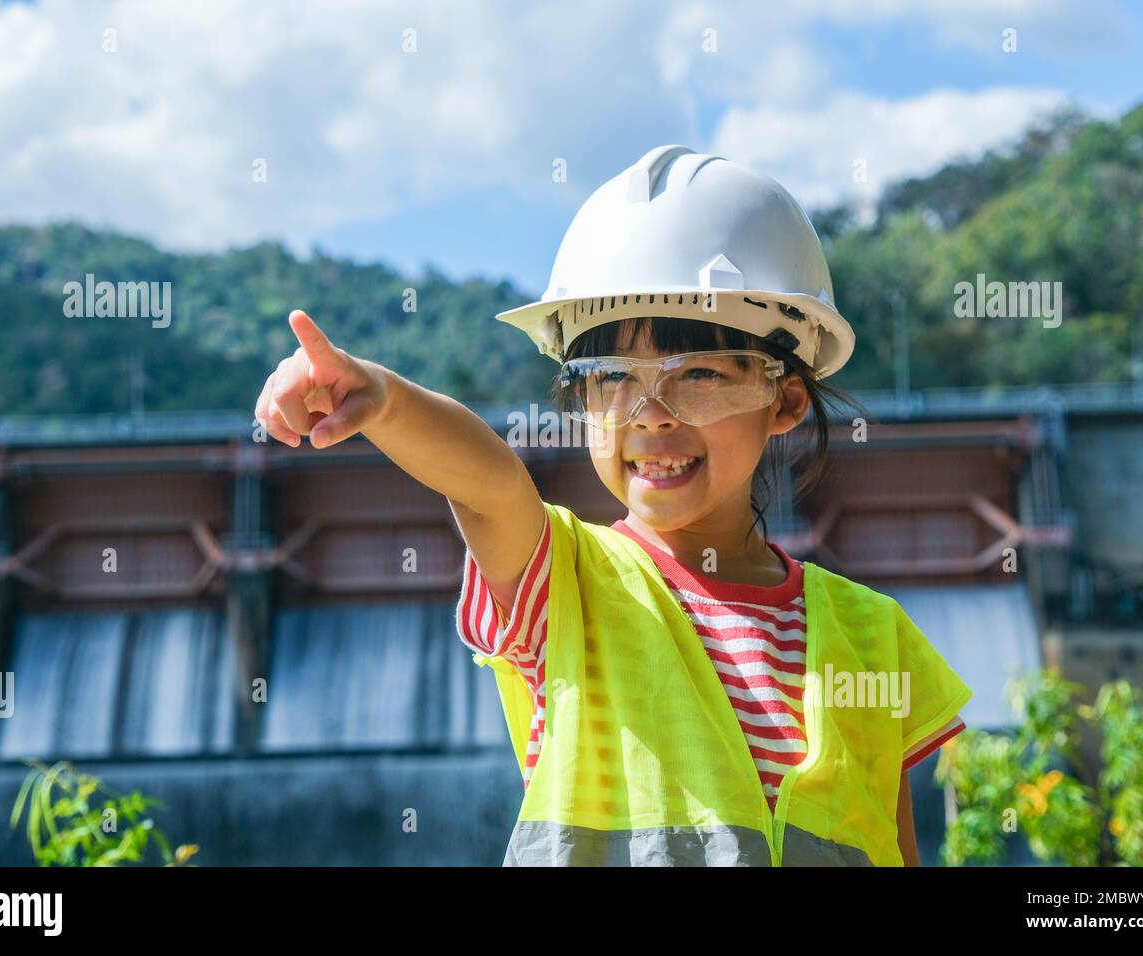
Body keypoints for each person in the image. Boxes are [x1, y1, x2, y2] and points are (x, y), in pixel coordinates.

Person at [254, 145, 972, 867]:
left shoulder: (875, 638)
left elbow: (896, 847)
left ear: (783, 399)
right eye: (609, 378)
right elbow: (488, 483)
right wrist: (381, 398)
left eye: (698, 375)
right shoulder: (565, 585)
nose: (649, 415)